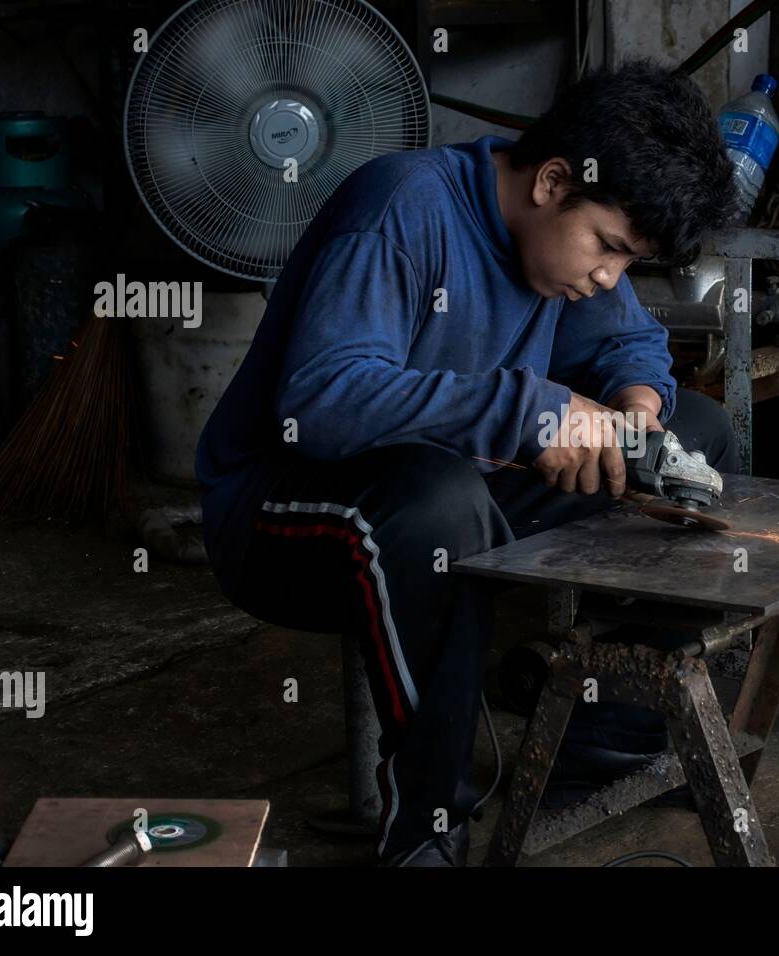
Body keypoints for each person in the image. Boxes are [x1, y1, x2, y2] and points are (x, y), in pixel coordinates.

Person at [196, 59, 740, 866]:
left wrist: (637, 422)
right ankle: (425, 829)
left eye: (628, 264)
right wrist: (533, 414)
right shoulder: (400, 206)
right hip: (285, 514)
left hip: (454, 488)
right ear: (554, 182)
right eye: (608, 249)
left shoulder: (562, 254)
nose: (606, 276)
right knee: (438, 501)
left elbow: (627, 343)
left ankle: (602, 743)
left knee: (702, 429)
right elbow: (322, 403)